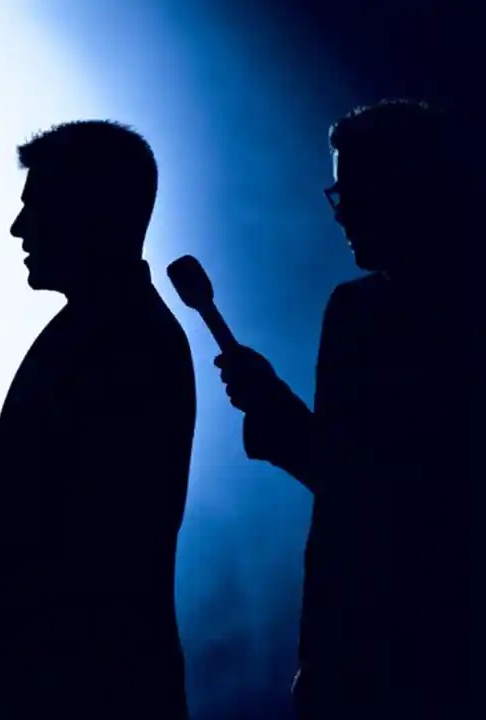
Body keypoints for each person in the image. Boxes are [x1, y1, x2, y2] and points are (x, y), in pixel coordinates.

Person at [0, 121, 196, 718]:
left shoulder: (127, 344)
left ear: (92, 214)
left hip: (84, 683)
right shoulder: (100, 330)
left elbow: (30, 500)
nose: (19, 228)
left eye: (36, 207)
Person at [215, 99, 475, 719]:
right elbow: (352, 476)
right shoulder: (357, 311)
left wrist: (274, 412)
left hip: (417, 655)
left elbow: (375, 491)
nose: (342, 213)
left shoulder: (374, 315)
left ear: (412, 186)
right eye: (340, 193)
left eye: (356, 191)